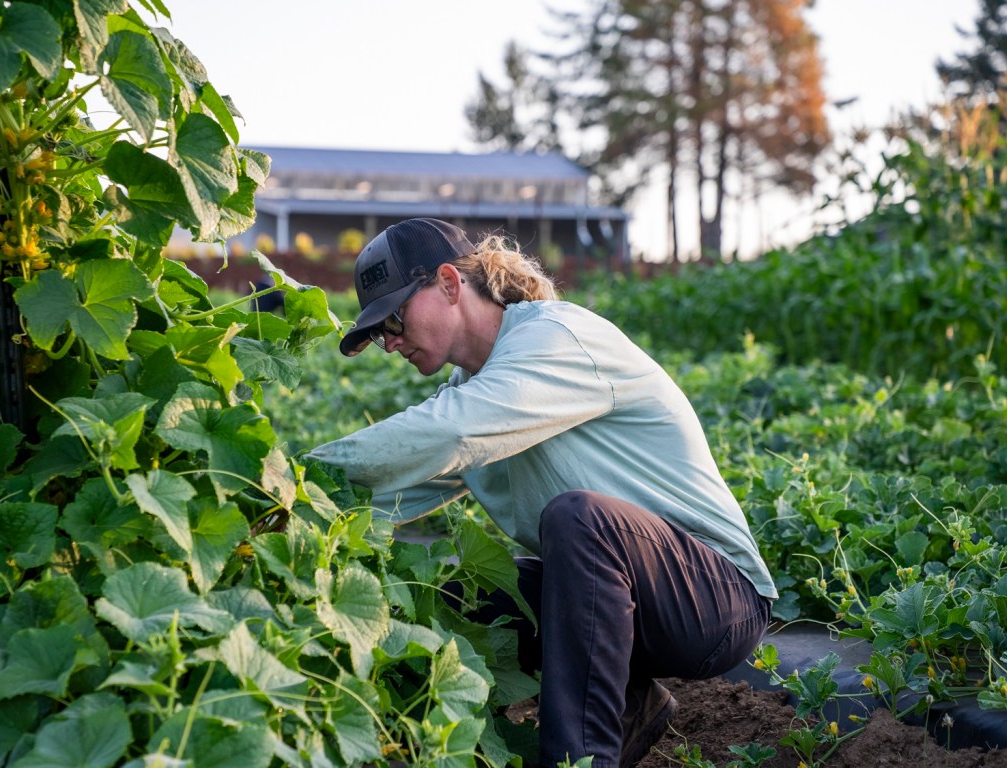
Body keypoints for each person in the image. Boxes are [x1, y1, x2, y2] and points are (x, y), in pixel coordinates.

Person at [308, 218, 777, 768]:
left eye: (392, 319)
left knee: (580, 520)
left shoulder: (553, 338)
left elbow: (450, 432)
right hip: (634, 599)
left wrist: (294, 471)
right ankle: (631, 704)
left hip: (715, 601)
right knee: (458, 597)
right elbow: (400, 484)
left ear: (449, 284)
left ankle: (578, 760)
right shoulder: (477, 391)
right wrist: (285, 504)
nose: (388, 342)